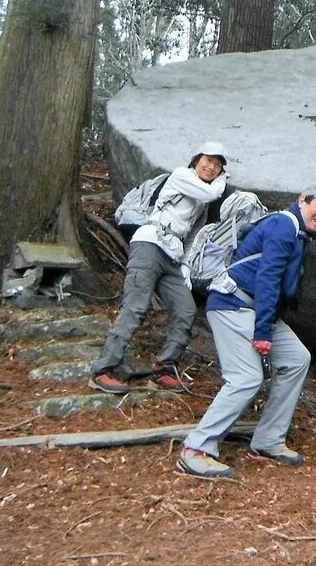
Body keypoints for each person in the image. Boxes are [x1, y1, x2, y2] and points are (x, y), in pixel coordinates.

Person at [176, 185, 316, 479]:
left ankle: (268, 440)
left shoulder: (297, 229)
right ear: (302, 200)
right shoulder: (283, 226)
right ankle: (195, 450)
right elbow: (268, 277)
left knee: (297, 359)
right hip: (233, 306)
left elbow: (312, 232)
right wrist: (263, 332)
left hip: (257, 310)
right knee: (246, 378)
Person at [91, 141, 229, 395]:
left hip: (173, 257)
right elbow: (210, 192)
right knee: (136, 306)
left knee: (186, 311)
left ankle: (163, 368)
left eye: (218, 165)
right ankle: (103, 370)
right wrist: (224, 180)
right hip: (150, 244)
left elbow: (193, 236)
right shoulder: (182, 176)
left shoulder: (202, 203)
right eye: (208, 161)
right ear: (196, 160)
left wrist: (186, 266)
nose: (212, 167)